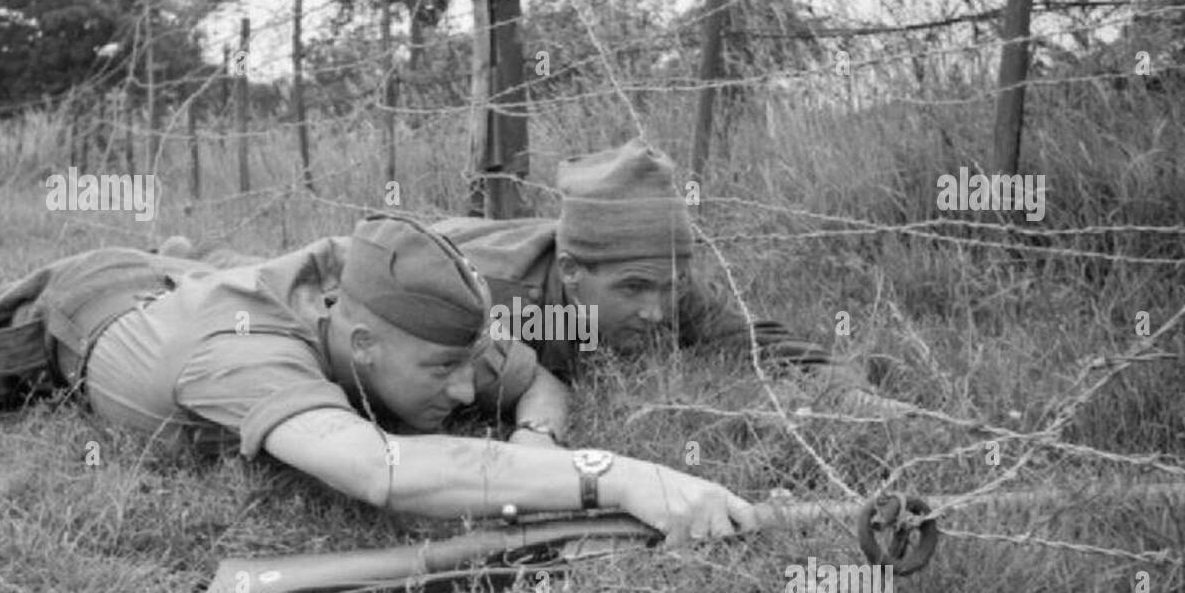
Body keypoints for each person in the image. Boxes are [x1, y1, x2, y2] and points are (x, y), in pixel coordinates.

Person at [0, 214, 755, 545]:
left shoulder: (409, 322)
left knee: (204, 271)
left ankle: (185, 257)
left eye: (467, 366)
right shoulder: (254, 355)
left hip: (201, 285)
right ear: (366, 349)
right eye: (444, 373)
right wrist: (621, 476)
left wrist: (535, 439)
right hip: (87, 308)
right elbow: (379, 469)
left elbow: (537, 384)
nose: (465, 395)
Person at [163, 140, 920, 446]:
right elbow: (379, 354)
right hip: (384, 259)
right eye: (634, 288)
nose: (660, 311)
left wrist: (850, 393)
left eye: (670, 285)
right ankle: (188, 260)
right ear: (573, 270)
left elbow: (759, 344)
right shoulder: (491, 301)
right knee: (257, 276)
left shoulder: (663, 285)